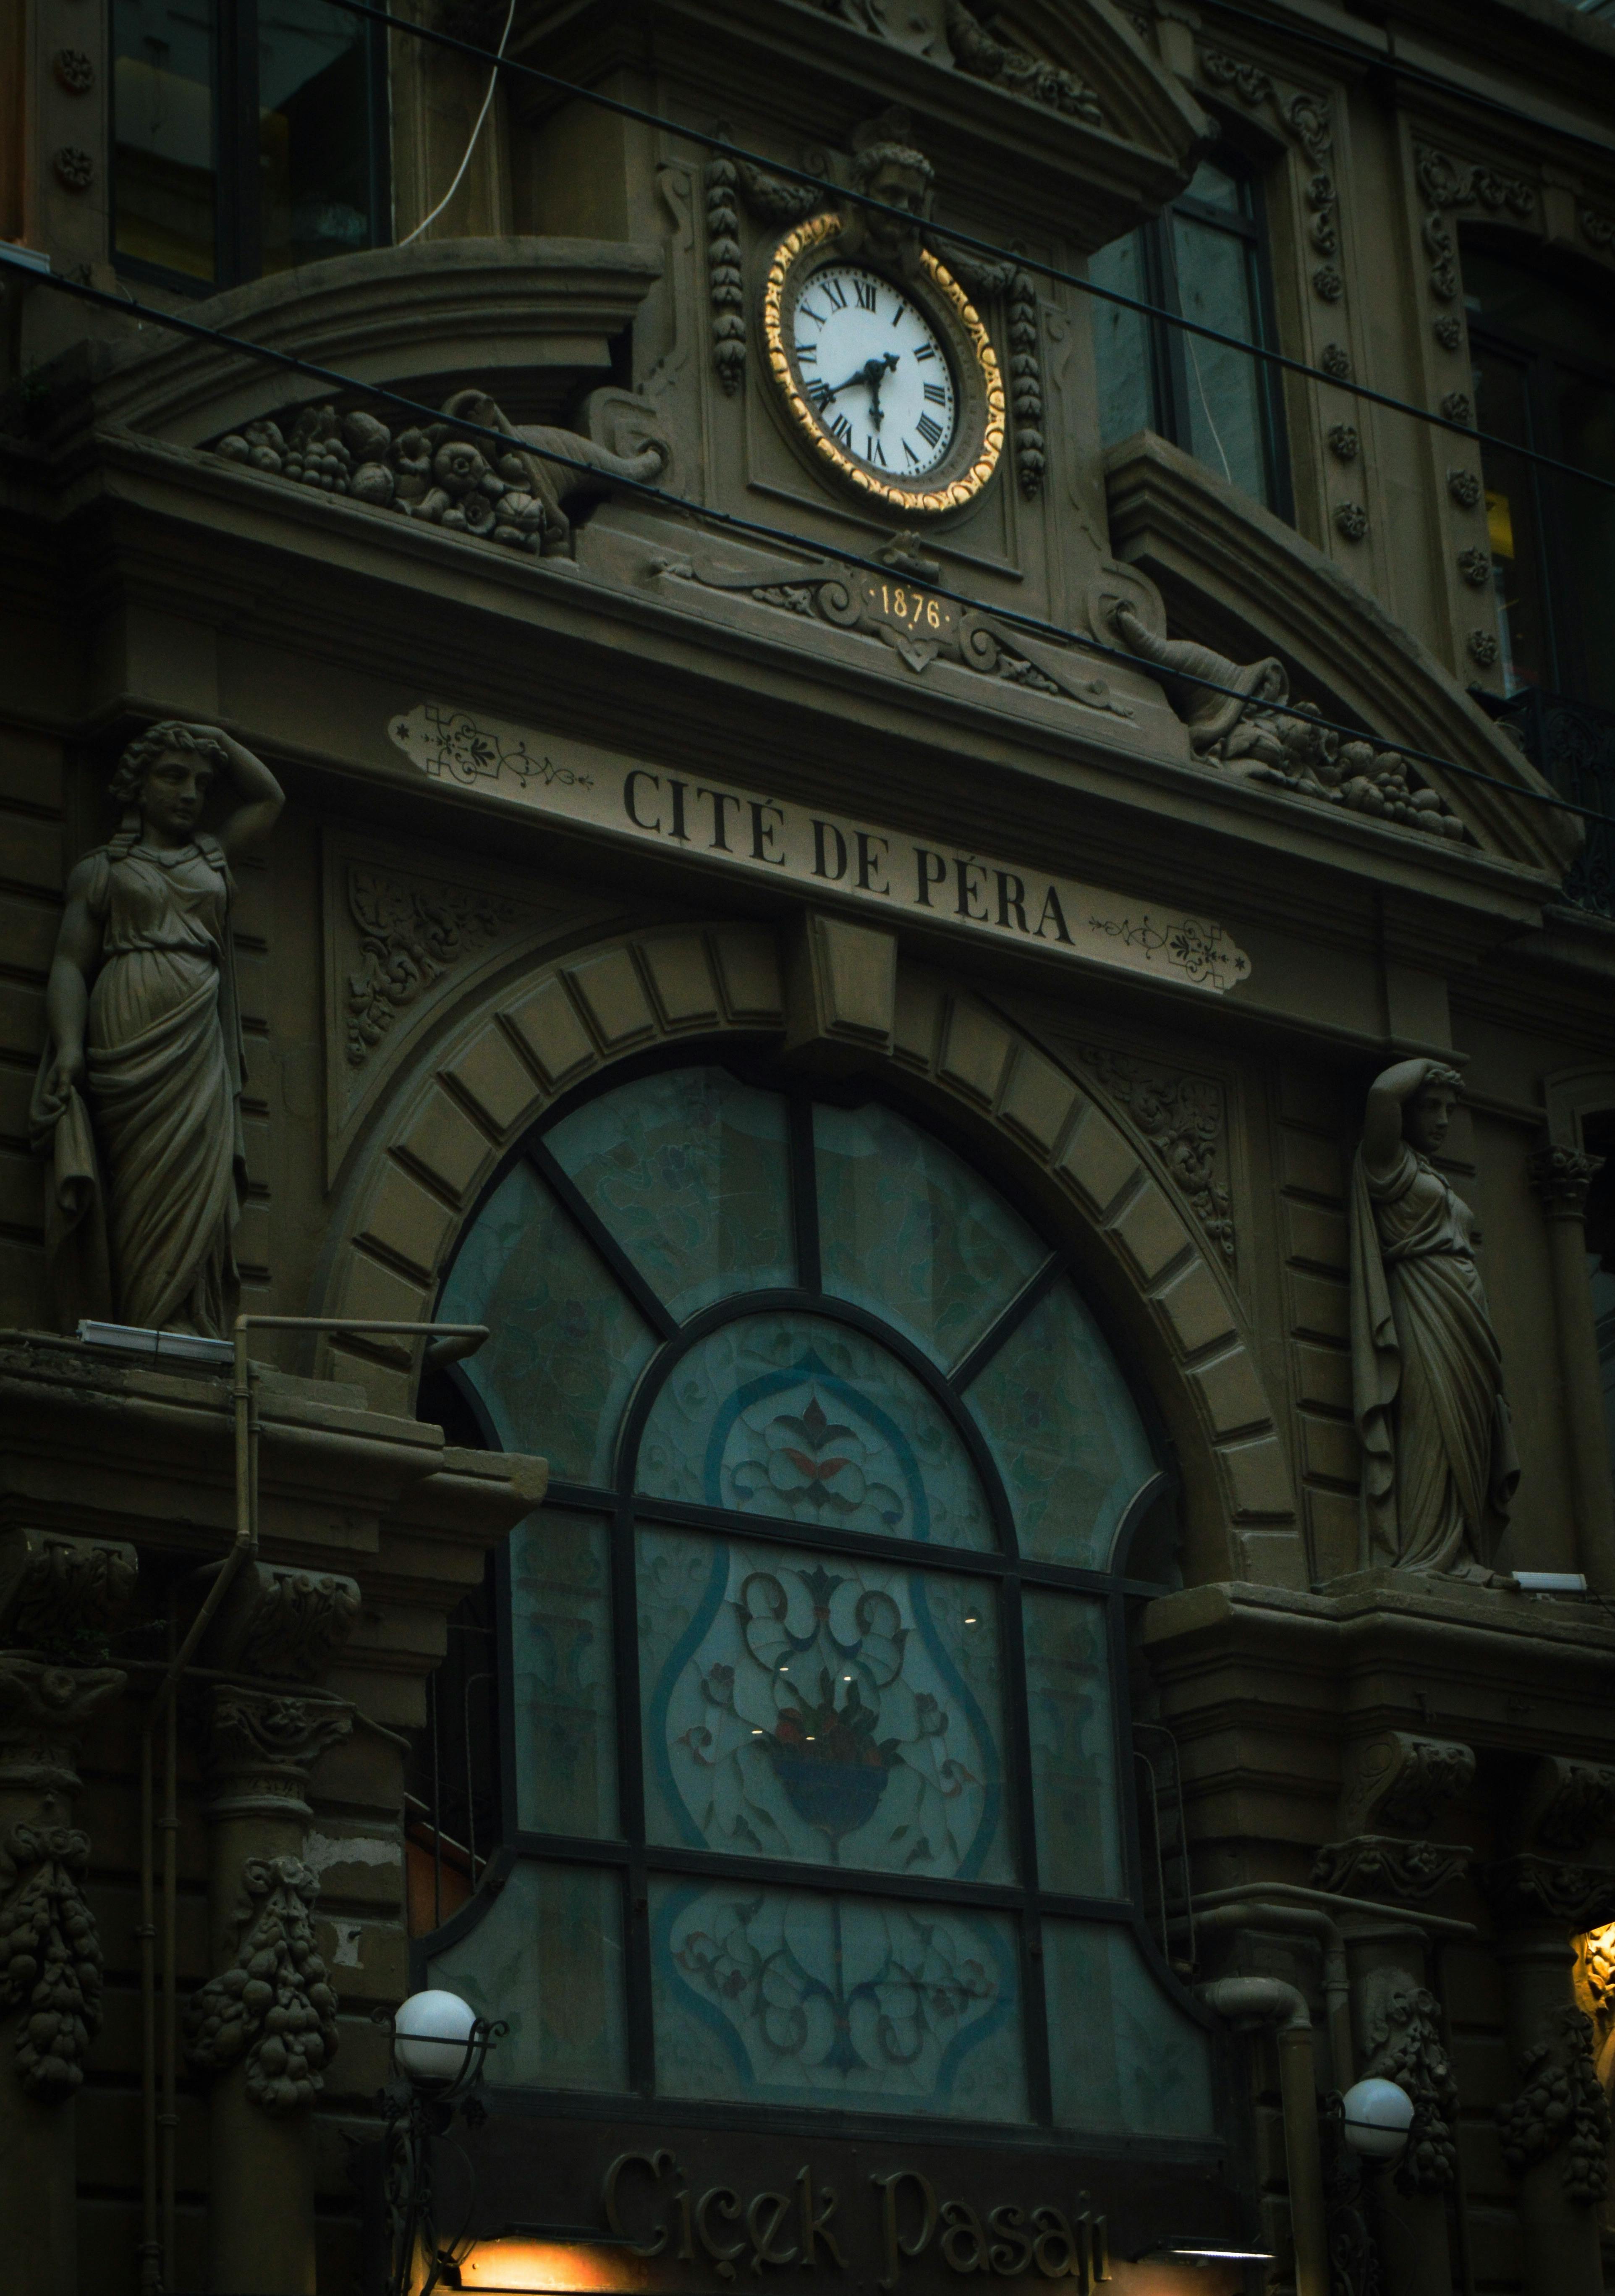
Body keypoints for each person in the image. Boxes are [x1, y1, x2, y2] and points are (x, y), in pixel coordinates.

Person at [31, 722, 284, 1336]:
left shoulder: (212, 856)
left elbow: (269, 799)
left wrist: (216, 743)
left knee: (193, 1169)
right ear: (136, 787)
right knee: (139, 1177)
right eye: (172, 776)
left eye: (200, 782)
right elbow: (69, 963)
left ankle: (179, 1318)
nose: (190, 792)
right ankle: (133, 1316)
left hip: (197, 1032)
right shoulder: (104, 869)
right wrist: (68, 1046)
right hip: (126, 1026)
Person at [1350, 1057, 1519, 1574]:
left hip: (1465, 1315)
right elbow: (1381, 1093)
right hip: (1421, 1303)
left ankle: (1465, 1553)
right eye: (1431, 1107)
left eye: (1450, 1109)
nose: (1444, 1120)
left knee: (1469, 1428)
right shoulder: (1386, 1162)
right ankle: (1429, 1553)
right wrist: (1426, 1060)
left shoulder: (1430, 1174)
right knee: (1428, 1422)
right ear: (1408, 1111)